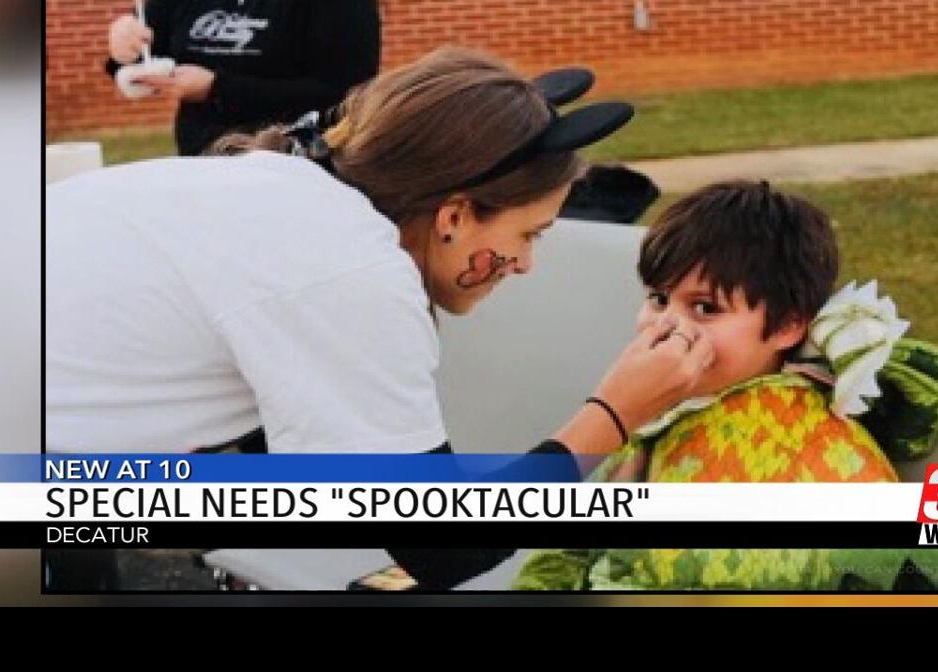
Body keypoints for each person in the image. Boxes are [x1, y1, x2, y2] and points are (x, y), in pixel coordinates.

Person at [47, 47, 715, 589]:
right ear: (453, 217)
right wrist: (615, 412)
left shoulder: (286, 192)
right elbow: (444, 548)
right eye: (530, 235)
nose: (526, 264)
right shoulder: (351, 269)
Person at [514, 181, 938, 591]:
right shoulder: (673, 412)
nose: (667, 328)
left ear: (789, 325)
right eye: (657, 299)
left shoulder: (779, 448)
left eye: (706, 308)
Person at [104, 0, 381, 155]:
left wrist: (218, 88)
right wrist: (124, 50)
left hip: (302, 161)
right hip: (202, 158)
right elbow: (144, 61)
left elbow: (346, 90)